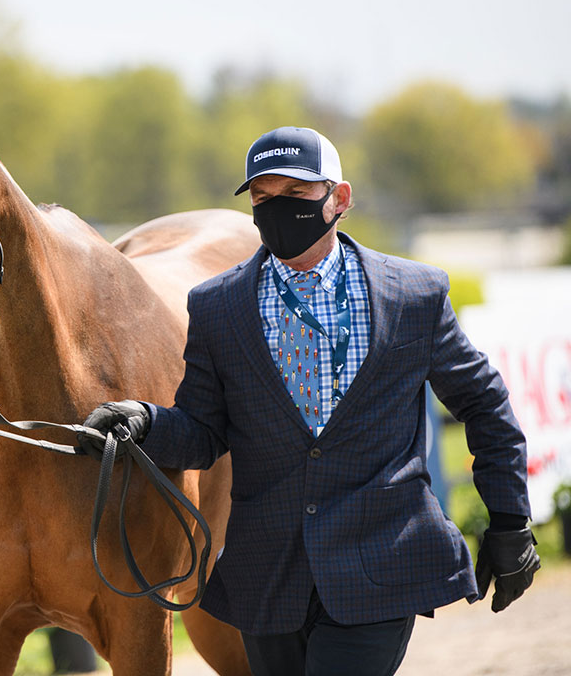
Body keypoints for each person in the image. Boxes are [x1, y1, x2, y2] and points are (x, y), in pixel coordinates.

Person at [79, 127, 538, 676]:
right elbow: (203, 432)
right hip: (268, 580)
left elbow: (484, 404)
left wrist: (510, 520)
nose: (275, 210)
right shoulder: (218, 307)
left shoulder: (413, 294)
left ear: (337, 199)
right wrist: (147, 421)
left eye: (294, 196)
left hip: (380, 566)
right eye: (262, 199)